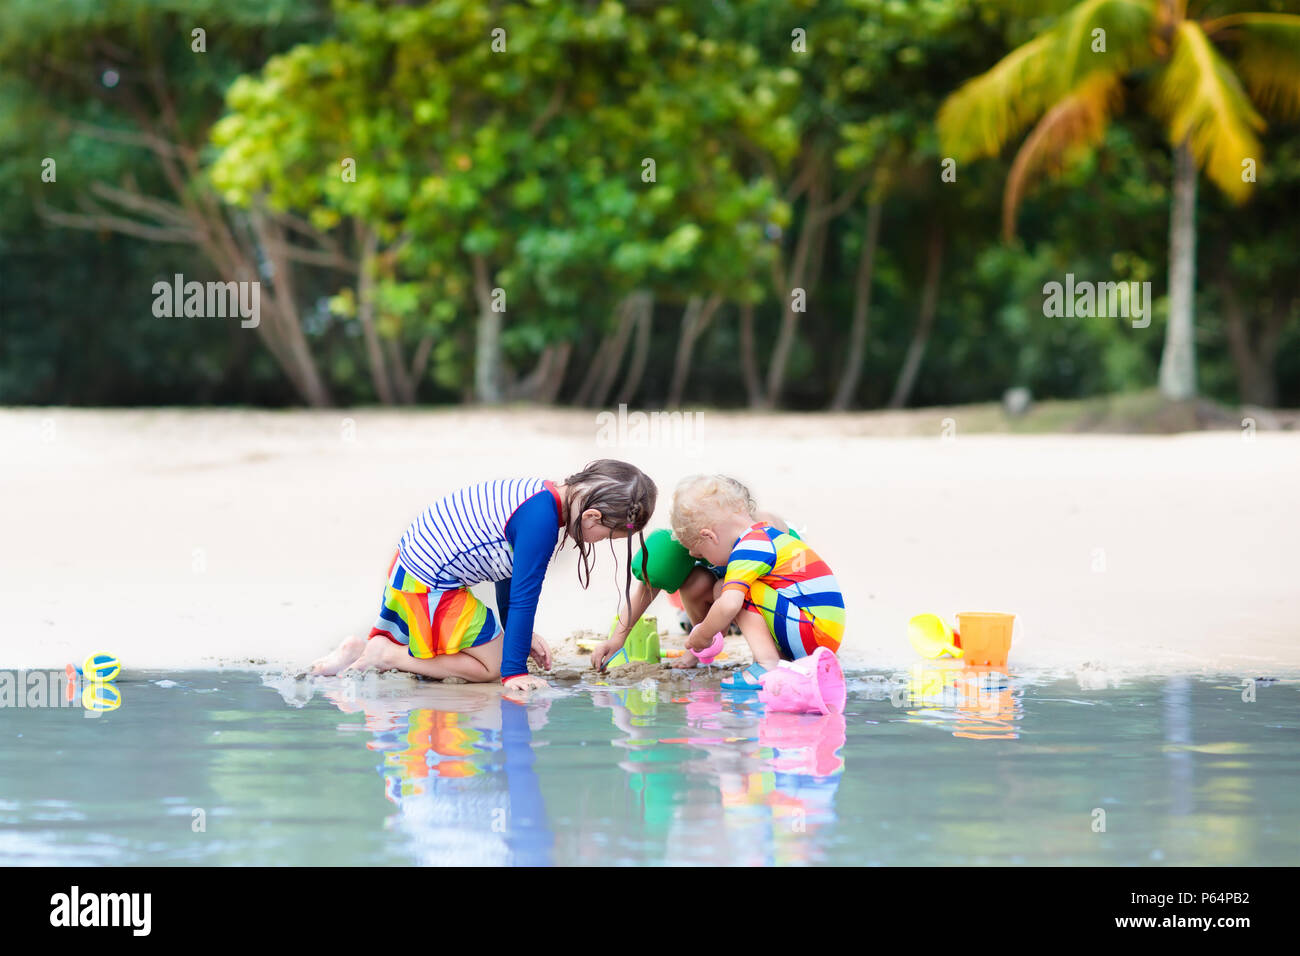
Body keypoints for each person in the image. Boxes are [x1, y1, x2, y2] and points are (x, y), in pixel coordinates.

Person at [313, 460, 656, 692]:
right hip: (426, 585)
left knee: (496, 647)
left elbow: (508, 572)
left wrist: (516, 636)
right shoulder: (541, 523)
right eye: (610, 537)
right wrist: (513, 673)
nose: (604, 543)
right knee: (490, 667)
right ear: (592, 516)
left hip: (411, 568)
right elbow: (524, 595)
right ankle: (386, 655)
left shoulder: (542, 496)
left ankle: (358, 649)